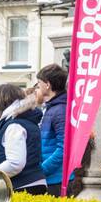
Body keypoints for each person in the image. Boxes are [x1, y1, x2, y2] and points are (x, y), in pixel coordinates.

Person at [0, 83, 47, 194]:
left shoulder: (14, 126)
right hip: (30, 184)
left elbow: (15, 164)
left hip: (23, 185)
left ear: (0, 102)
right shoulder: (22, 122)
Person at [35, 63, 69, 195]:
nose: (38, 86)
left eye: (39, 82)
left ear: (48, 84)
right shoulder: (52, 108)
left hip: (56, 179)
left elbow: (63, 149)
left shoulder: (60, 110)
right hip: (51, 176)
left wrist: (41, 170)